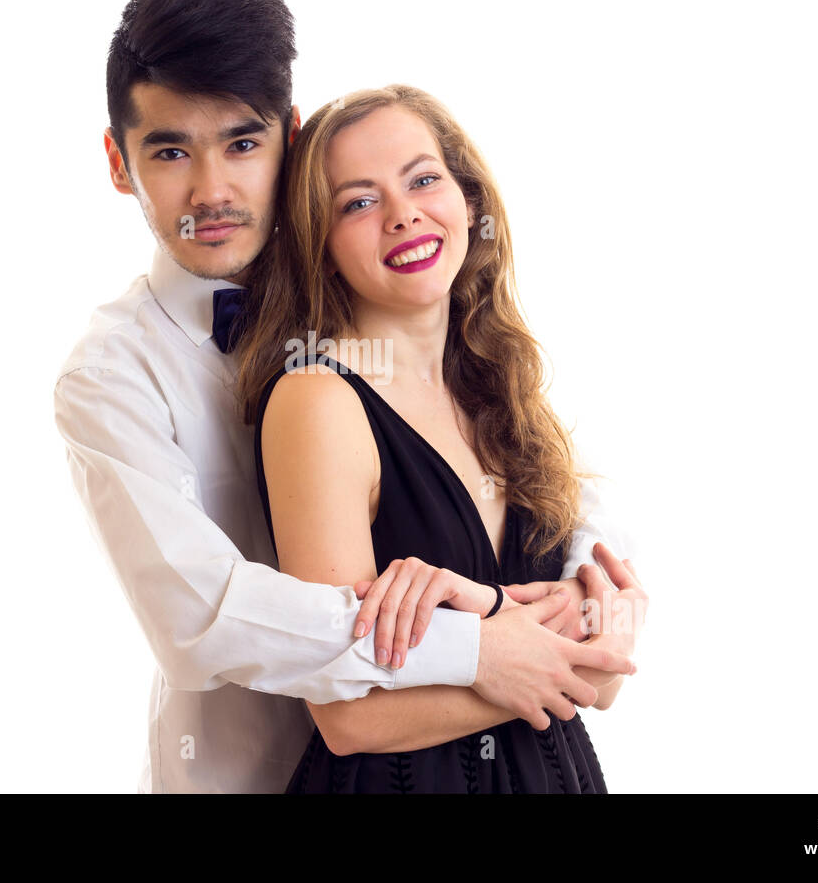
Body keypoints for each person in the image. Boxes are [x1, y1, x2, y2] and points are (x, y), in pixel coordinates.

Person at [52, 0, 637, 794]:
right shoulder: (110, 377)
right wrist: (484, 638)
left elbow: (537, 475)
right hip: (249, 774)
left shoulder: (380, 311)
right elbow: (200, 614)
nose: (213, 190)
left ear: (289, 141)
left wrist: (593, 577)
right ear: (120, 162)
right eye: (171, 150)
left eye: (244, 143)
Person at [237, 85, 648, 792]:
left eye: (424, 180)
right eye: (358, 202)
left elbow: (605, 681)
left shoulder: (500, 385)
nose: (403, 215)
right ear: (325, 248)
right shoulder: (317, 400)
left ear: (469, 202)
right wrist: (511, 657)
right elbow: (348, 718)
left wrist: (543, 628)